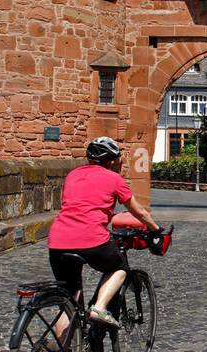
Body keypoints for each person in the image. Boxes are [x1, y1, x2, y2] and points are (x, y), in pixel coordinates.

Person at [48, 137, 160, 336]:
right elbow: (139, 212)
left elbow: (74, 205)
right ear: (111, 161)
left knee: (69, 300)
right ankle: (99, 307)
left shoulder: (72, 175)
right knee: (119, 268)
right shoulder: (113, 179)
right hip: (91, 238)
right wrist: (154, 229)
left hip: (57, 240)